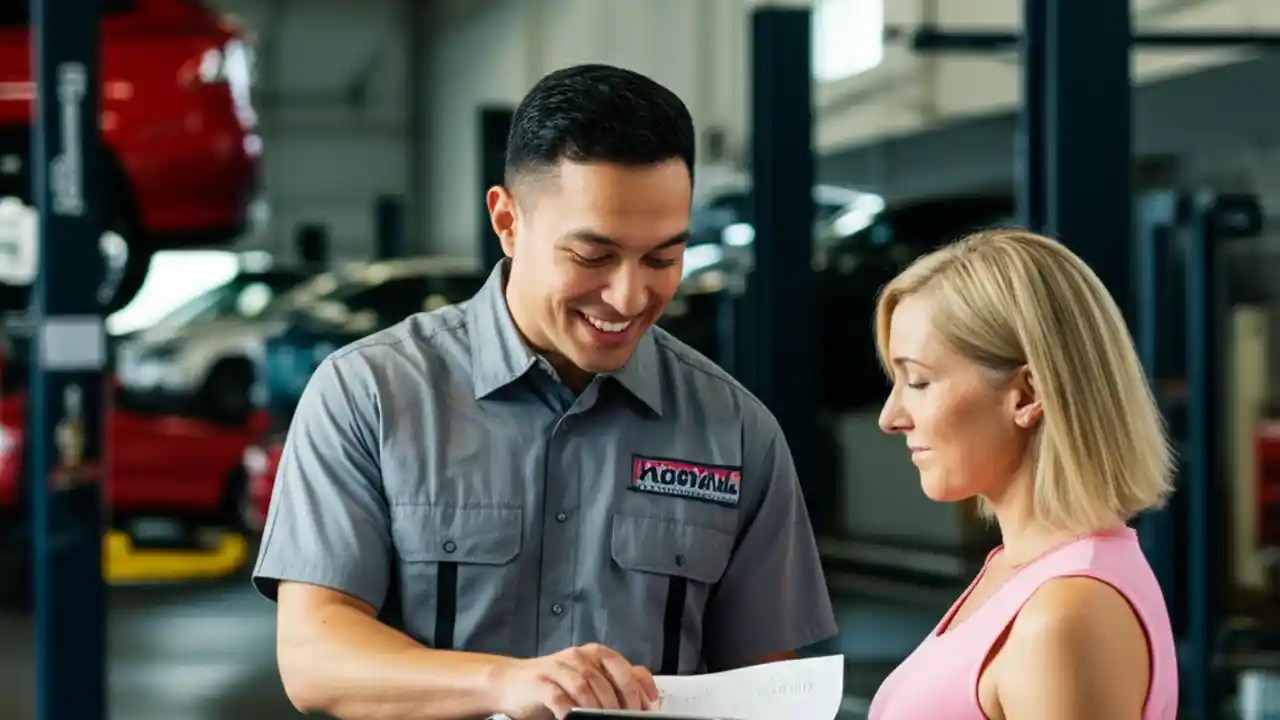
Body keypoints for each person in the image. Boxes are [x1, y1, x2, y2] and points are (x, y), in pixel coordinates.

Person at [251, 63, 838, 720]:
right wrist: (505, 684)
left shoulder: (734, 430)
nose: (629, 296)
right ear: (507, 221)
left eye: (663, 259)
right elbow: (315, 656)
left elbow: (764, 692)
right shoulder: (371, 396)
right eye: (592, 257)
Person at [866, 229, 1179, 720]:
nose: (891, 417)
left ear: (1028, 394)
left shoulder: (1066, 615)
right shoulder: (1017, 571)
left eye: (919, 381)